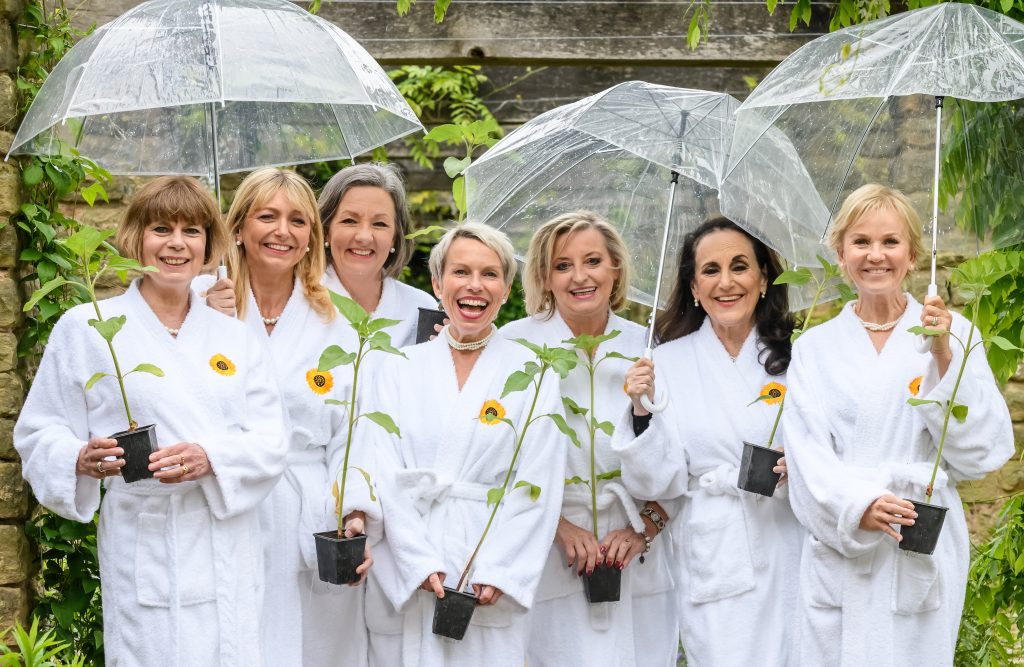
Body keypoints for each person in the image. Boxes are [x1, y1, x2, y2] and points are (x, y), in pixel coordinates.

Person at [14, 176, 287, 666]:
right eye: (161, 228)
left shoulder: (237, 338)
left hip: (227, 539)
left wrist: (211, 458)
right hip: (145, 538)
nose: (177, 243)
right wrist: (79, 457)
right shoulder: (88, 327)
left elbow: (271, 439)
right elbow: (39, 431)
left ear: (209, 245)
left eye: (192, 230)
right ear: (135, 237)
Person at [782, 184, 1013, 665]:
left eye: (890, 242)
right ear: (841, 253)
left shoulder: (954, 335)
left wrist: (944, 355)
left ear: (912, 255)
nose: (876, 255)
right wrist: (857, 508)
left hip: (917, 540)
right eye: (861, 241)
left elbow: (983, 453)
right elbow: (806, 457)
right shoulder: (814, 348)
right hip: (842, 546)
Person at [361, 223, 567, 667]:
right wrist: (414, 561)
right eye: (460, 272)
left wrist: (501, 567)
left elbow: (539, 482)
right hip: (409, 560)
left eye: (490, 274)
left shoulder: (533, 373)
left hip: (485, 569)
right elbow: (378, 466)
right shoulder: (397, 368)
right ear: (437, 284)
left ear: (506, 287)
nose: (475, 286)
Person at [203, 167, 378, 667]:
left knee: (319, 650)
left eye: (298, 220)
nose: (283, 230)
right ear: (238, 228)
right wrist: (199, 325)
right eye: (267, 216)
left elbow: (357, 428)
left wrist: (354, 509)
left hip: (313, 513)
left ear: (311, 240)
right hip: (229, 501)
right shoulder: (200, 305)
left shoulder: (339, 320)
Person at [614, 216, 804, 665]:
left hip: (789, 543)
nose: (726, 282)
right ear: (695, 288)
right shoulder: (665, 363)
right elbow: (655, 483)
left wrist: (802, 462)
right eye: (711, 271)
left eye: (740, 266)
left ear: (763, 279)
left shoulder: (799, 356)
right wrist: (641, 408)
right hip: (714, 549)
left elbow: (833, 448)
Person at [501, 211, 678, 667]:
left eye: (593, 261)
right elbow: (493, 458)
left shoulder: (649, 349)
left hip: (631, 553)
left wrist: (646, 528)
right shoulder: (516, 346)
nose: (579, 276)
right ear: (544, 276)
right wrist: (555, 525)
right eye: (562, 265)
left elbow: (682, 462)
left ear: (615, 268)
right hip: (551, 555)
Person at [318, 163, 437, 347]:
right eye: (349, 221)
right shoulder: (299, 301)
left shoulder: (421, 309)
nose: (364, 237)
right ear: (326, 230)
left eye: (380, 224)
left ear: (395, 237)